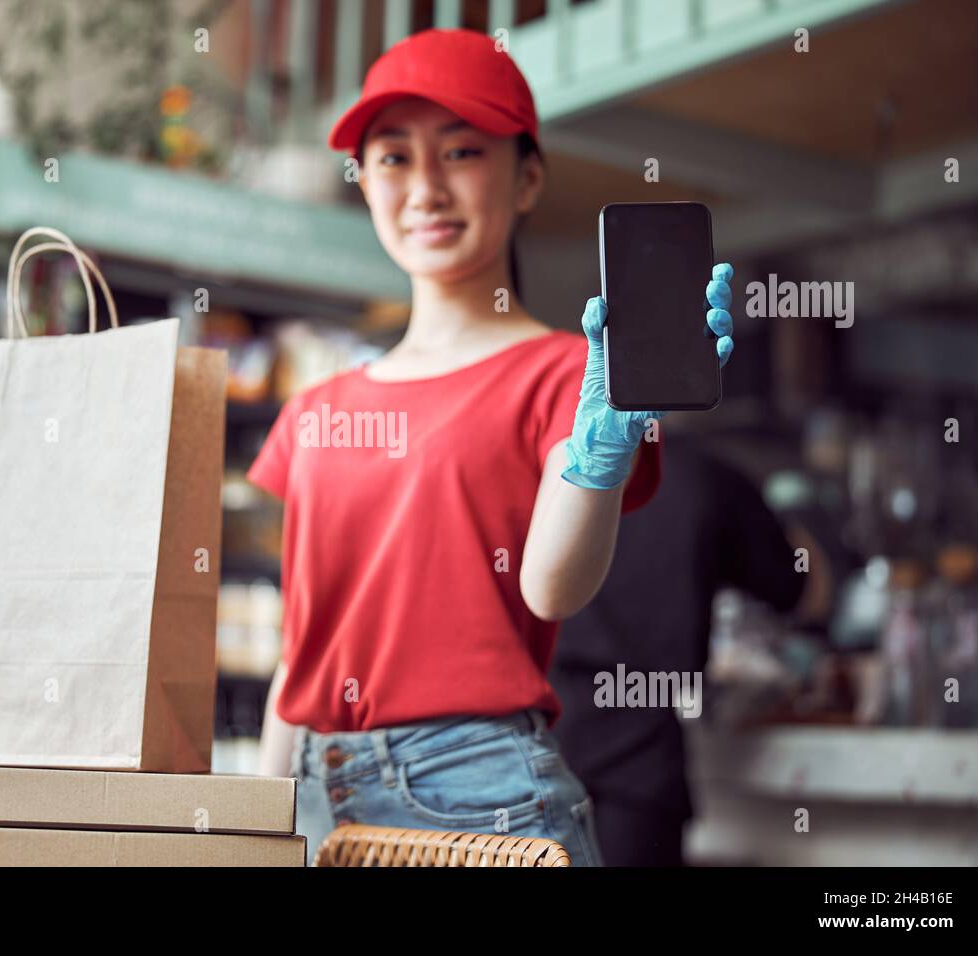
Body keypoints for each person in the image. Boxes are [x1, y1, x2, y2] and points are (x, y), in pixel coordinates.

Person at [246, 28, 735, 867]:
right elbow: (303, 648)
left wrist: (598, 455)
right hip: (314, 797)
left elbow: (551, 587)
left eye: (462, 151)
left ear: (528, 176)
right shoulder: (316, 408)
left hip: (475, 791)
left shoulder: (569, 373)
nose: (426, 187)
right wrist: (260, 822)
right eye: (392, 158)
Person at [550, 433, 810, 866]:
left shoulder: (543, 472)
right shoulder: (707, 477)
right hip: (639, 770)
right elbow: (797, 591)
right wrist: (802, 526)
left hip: (538, 753)